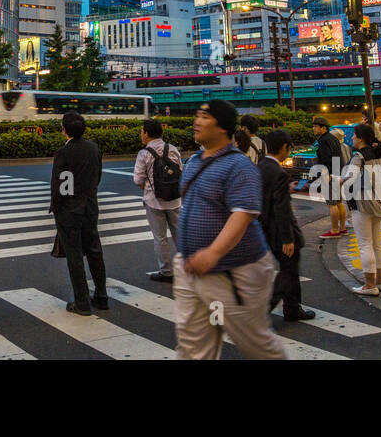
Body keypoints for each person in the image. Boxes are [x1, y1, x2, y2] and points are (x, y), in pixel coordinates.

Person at [173, 100, 289, 359]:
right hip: (193, 268)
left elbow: (243, 214)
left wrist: (213, 252)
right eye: (197, 115)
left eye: (204, 116)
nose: (197, 121)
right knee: (194, 346)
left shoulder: (239, 166)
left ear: (222, 126)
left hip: (234, 273)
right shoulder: (193, 161)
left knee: (256, 345)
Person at [51, 112, 108, 314]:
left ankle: (82, 302)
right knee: (94, 251)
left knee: (74, 256)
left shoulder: (63, 153)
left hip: (69, 210)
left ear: (64, 130)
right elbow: (98, 176)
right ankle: (101, 295)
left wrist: (56, 207)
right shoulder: (94, 149)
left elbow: (60, 186)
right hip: (90, 206)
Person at [260, 130, 314, 321]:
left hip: (264, 228)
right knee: (289, 271)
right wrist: (287, 238)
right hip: (280, 231)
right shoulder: (279, 173)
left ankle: (292, 308)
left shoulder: (261, 166)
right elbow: (281, 208)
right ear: (284, 148)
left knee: (289, 269)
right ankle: (267, 309)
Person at [132, 118, 182, 282]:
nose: (141, 134)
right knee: (180, 235)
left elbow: (138, 179)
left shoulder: (144, 153)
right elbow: (180, 170)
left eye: (141, 131)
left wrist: (146, 183)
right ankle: (189, 267)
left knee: (160, 238)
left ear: (146, 133)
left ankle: (166, 271)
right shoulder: (173, 149)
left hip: (154, 201)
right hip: (175, 199)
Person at [344, 123, 381, 295]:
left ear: (361, 138)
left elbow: (350, 177)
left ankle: (370, 285)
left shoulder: (359, 156)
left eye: (354, 135)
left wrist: (334, 179)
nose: (352, 138)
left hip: (362, 201)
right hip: (377, 200)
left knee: (364, 244)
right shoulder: (376, 152)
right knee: (378, 243)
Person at [312, 116, 348, 238]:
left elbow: (326, 159)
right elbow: (338, 157)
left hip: (330, 175)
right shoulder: (333, 138)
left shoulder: (323, 140)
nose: (314, 128)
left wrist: (327, 174)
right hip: (338, 173)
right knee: (339, 202)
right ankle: (342, 228)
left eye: (316, 126)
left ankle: (334, 230)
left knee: (332, 203)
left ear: (323, 128)